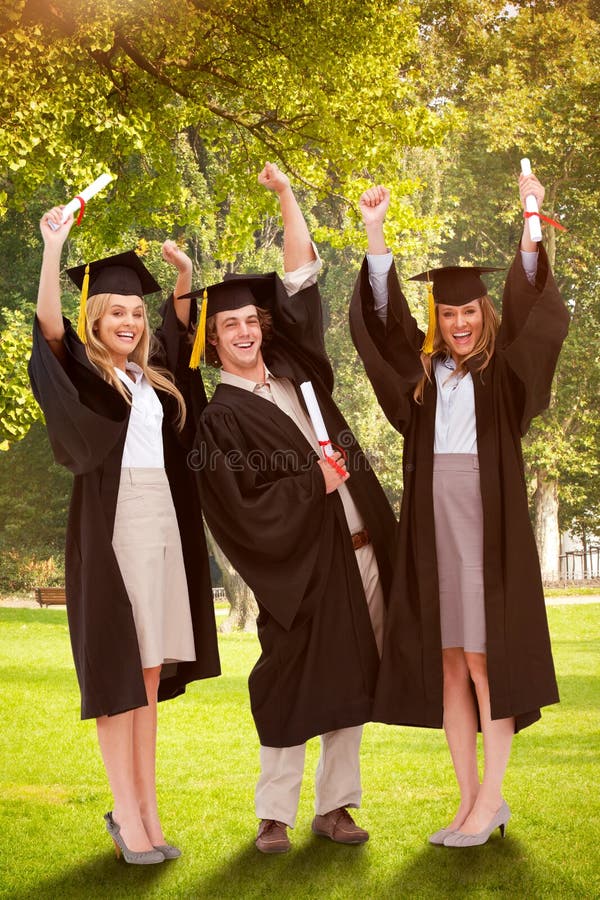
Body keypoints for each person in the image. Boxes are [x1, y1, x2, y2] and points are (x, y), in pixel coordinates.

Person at [349, 172, 569, 847]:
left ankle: (493, 795)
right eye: (449, 314)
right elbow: (382, 326)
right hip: (431, 529)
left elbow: (537, 314)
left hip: (486, 526)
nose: (461, 321)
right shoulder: (423, 379)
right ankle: (470, 803)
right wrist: (375, 231)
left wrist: (531, 213)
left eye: (469, 311)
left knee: (483, 659)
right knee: (448, 658)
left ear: (484, 314)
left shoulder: (502, 378)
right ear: (439, 321)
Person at [189, 163, 396, 853]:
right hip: (300, 568)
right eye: (230, 325)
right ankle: (272, 815)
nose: (245, 332)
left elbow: (302, 279)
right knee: (287, 679)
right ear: (212, 338)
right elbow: (237, 508)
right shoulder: (219, 420)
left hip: (361, 550)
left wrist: (285, 196)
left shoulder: (296, 373)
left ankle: (337, 808)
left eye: (252, 320)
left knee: (354, 679)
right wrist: (316, 480)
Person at [29, 208, 220, 864]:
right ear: (96, 321)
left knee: (145, 677)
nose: (131, 324)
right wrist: (54, 247)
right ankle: (128, 816)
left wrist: (186, 277)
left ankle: (145, 811)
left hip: (162, 524)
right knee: (117, 677)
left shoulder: (153, 379)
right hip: (113, 530)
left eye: (135, 315)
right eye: (117, 315)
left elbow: (180, 331)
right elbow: (49, 332)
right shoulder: (87, 376)